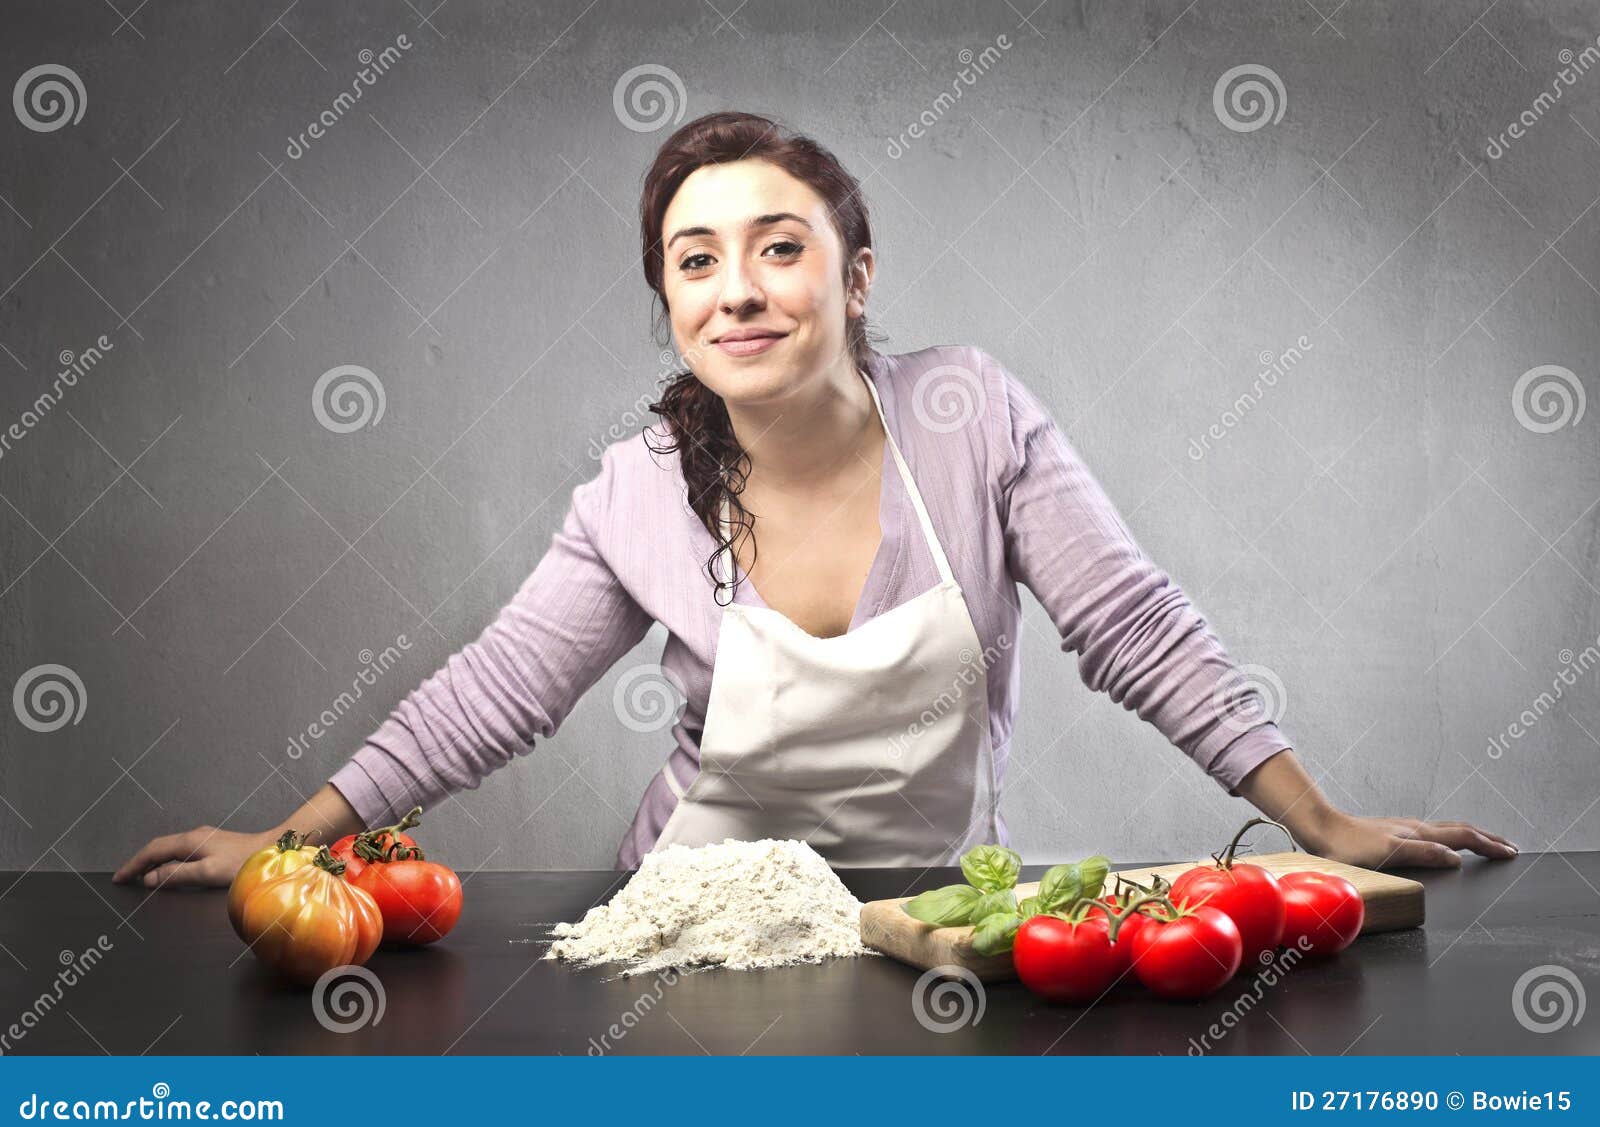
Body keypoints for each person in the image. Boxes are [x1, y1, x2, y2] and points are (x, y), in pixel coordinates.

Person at [113, 111, 1515, 890]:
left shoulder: (967, 417)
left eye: (780, 248)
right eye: (695, 259)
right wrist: (286, 844)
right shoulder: (639, 490)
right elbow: (493, 696)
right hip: (685, 923)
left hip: (933, 923)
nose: (738, 287)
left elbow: (1134, 630)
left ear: (852, 277)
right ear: (668, 303)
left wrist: (1318, 823)